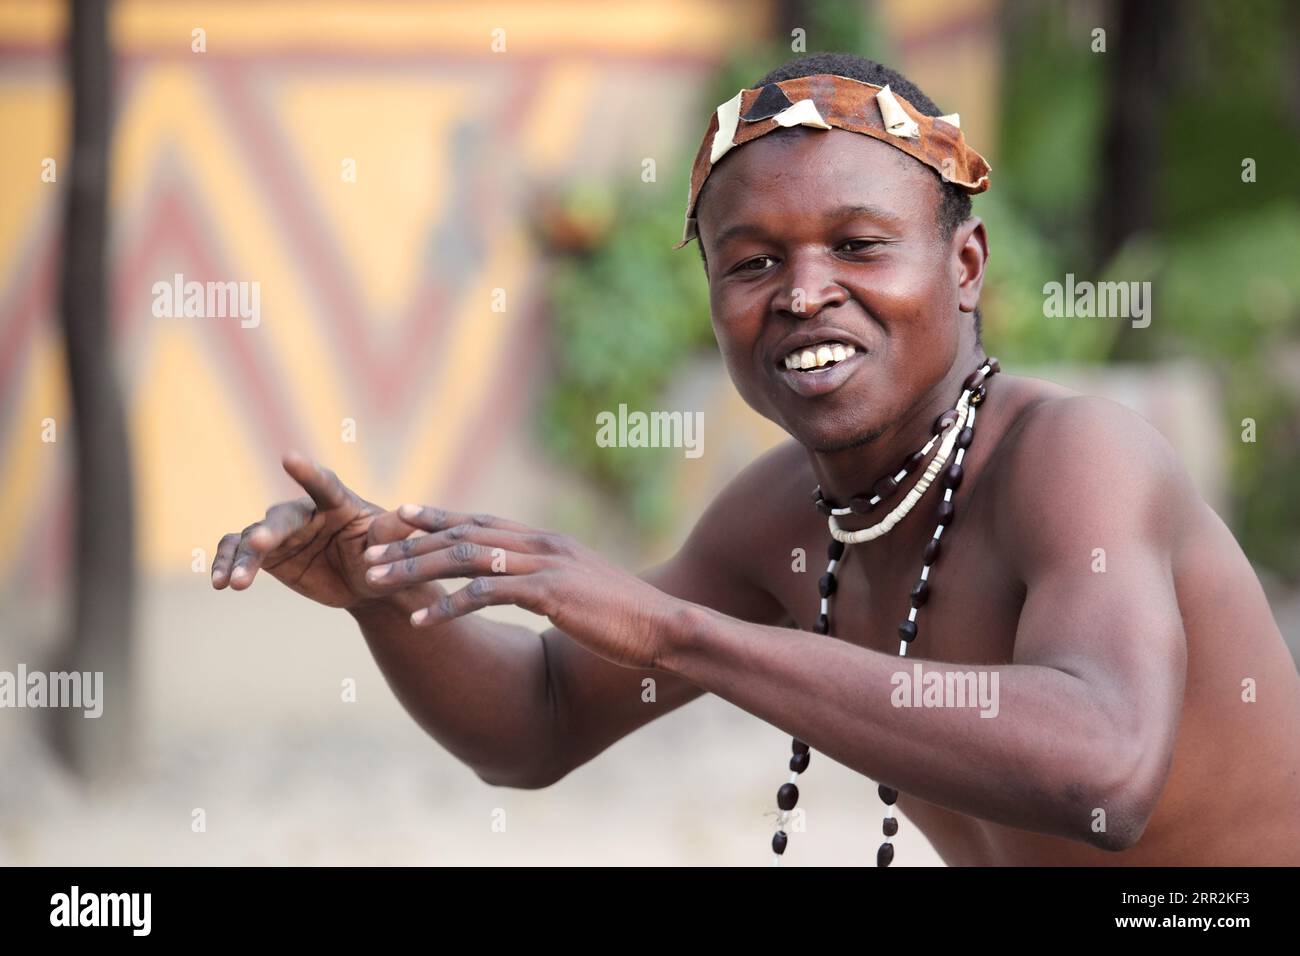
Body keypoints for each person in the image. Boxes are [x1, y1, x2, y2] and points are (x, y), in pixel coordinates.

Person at [211, 52, 1300, 865]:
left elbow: (1104, 767)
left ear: (964, 263)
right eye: (751, 261)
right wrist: (380, 598)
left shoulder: (1074, 454)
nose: (803, 290)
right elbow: (538, 721)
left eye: (859, 244)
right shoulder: (784, 515)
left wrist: (679, 632)